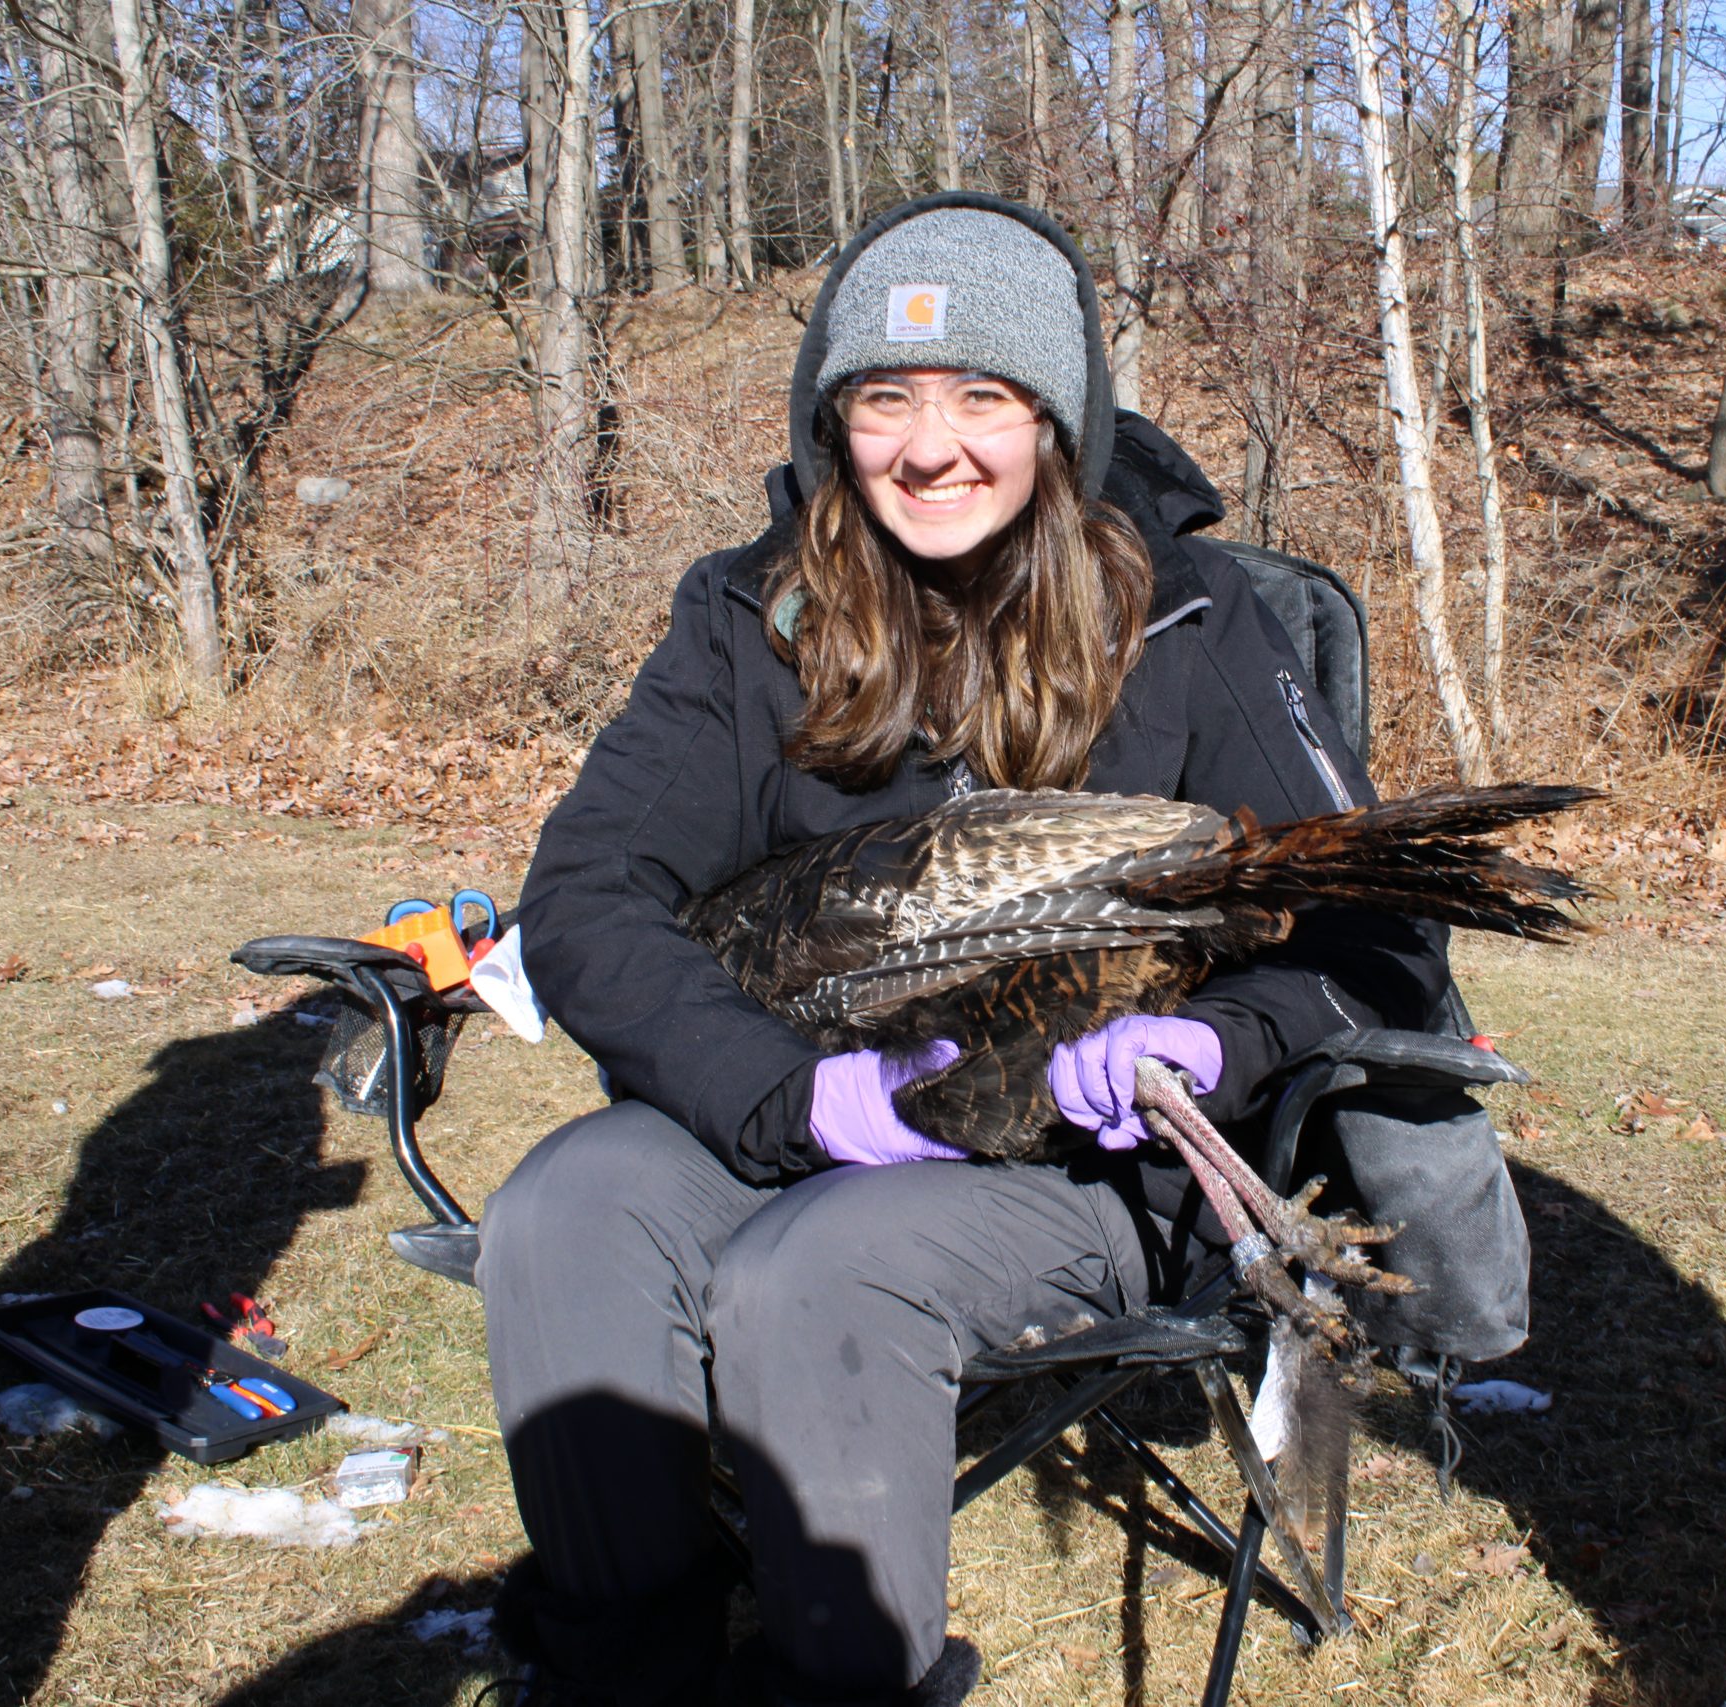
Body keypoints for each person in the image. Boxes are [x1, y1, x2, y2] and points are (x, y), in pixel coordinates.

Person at [481, 192, 1452, 1707]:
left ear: (1055, 419)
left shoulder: (1197, 615)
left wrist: (1216, 1041)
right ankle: (627, 1669)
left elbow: (1373, 918)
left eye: (982, 395)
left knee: (821, 1274)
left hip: (1083, 1158)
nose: (930, 445)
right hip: (802, 1093)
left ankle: (844, 1684)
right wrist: (787, 1097)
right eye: (886, 397)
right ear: (833, 419)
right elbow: (588, 895)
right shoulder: (755, 615)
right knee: (567, 1208)